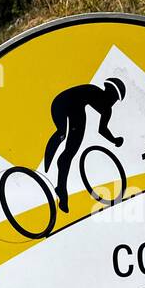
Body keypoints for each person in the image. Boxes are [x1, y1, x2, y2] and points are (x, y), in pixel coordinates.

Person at [42, 77, 126, 212]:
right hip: (62, 103)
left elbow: (102, 130)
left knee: (69, 153)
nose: (112, 101)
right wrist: (115, 140)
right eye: (113, 96)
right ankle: (51, 164)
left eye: (115, 99)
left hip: (77, 109)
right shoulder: (91, 90)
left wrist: (115, 140)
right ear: (108, 90)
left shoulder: (106, 110)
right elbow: (68, 99)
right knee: (62, 133)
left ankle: (61, 188)